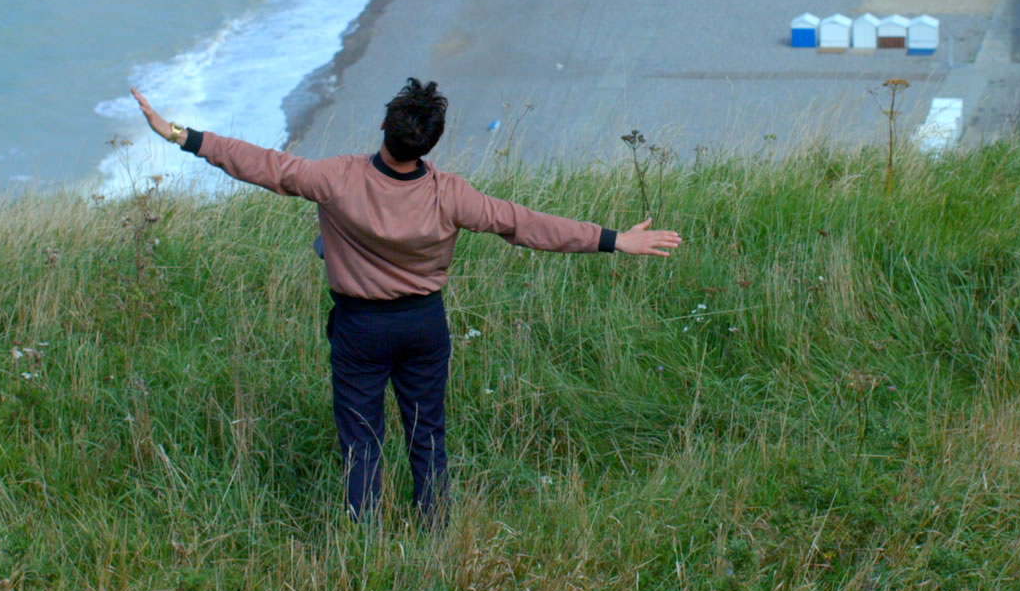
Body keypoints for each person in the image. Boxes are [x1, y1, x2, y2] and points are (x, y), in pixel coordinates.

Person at [130, 79, 681, 522]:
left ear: (384, 129)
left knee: (361, 439)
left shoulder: (336, 179)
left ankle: (365, 541)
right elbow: (525, 224)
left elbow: (260, 164)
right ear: (431, 142)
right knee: (427, 432)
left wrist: (180, 133)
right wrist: (615, 239)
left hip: (359, 327)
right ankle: (435, 531)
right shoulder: (450, 194)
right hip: (423, 325)